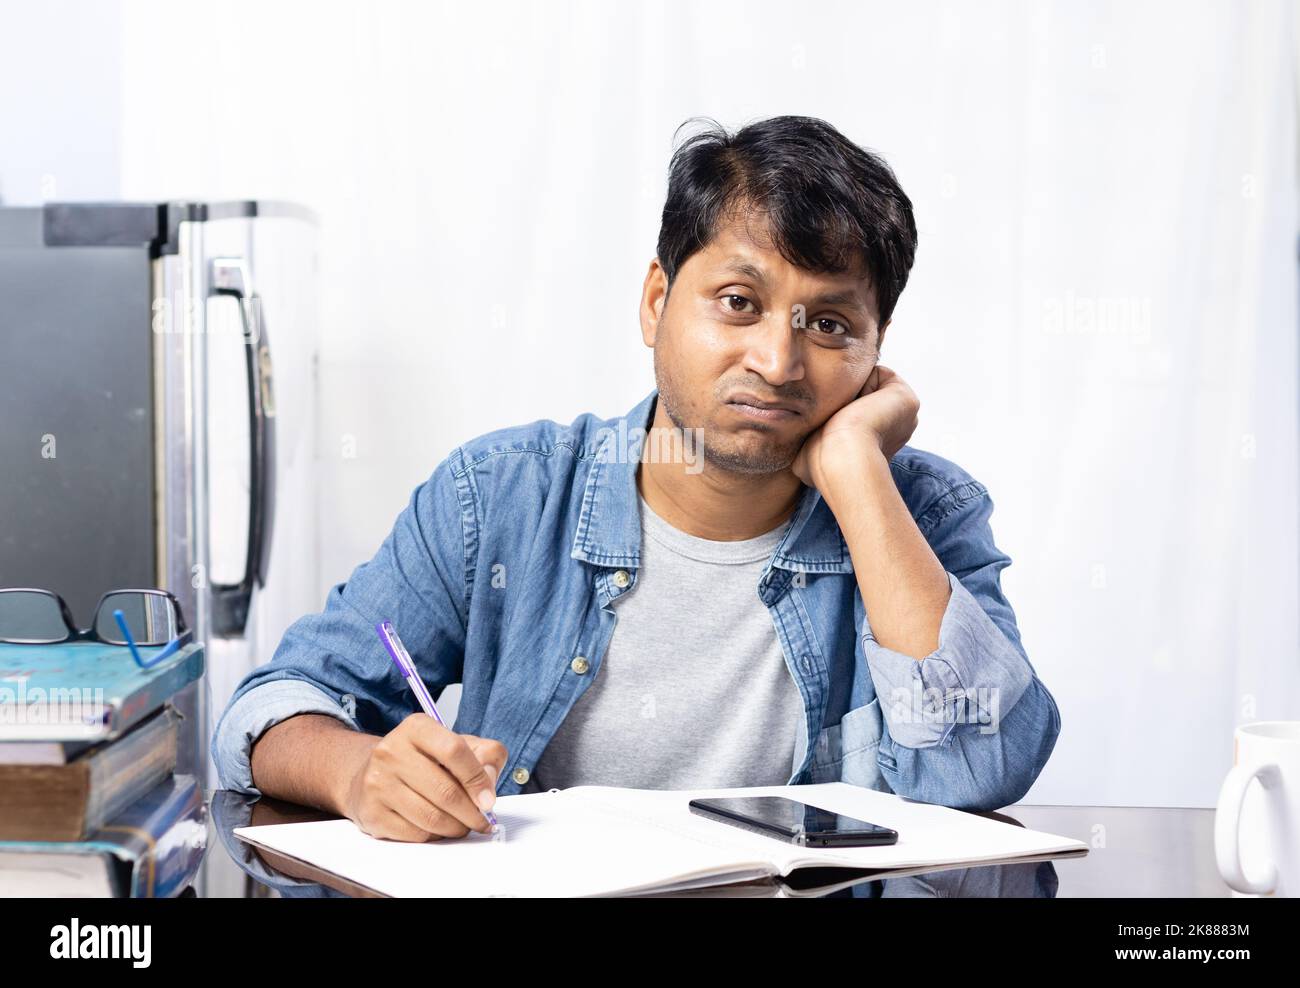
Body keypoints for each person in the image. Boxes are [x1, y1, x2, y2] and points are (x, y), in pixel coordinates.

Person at [212, 115, 1060, 843]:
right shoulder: (501, 495)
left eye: (831, 324)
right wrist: (361, 774)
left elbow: (980, 767)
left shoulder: (921, 512)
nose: (776, 361)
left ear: (877, 356)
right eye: (738, 301)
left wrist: (857, 475)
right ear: (657, 302)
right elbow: (274, 708)